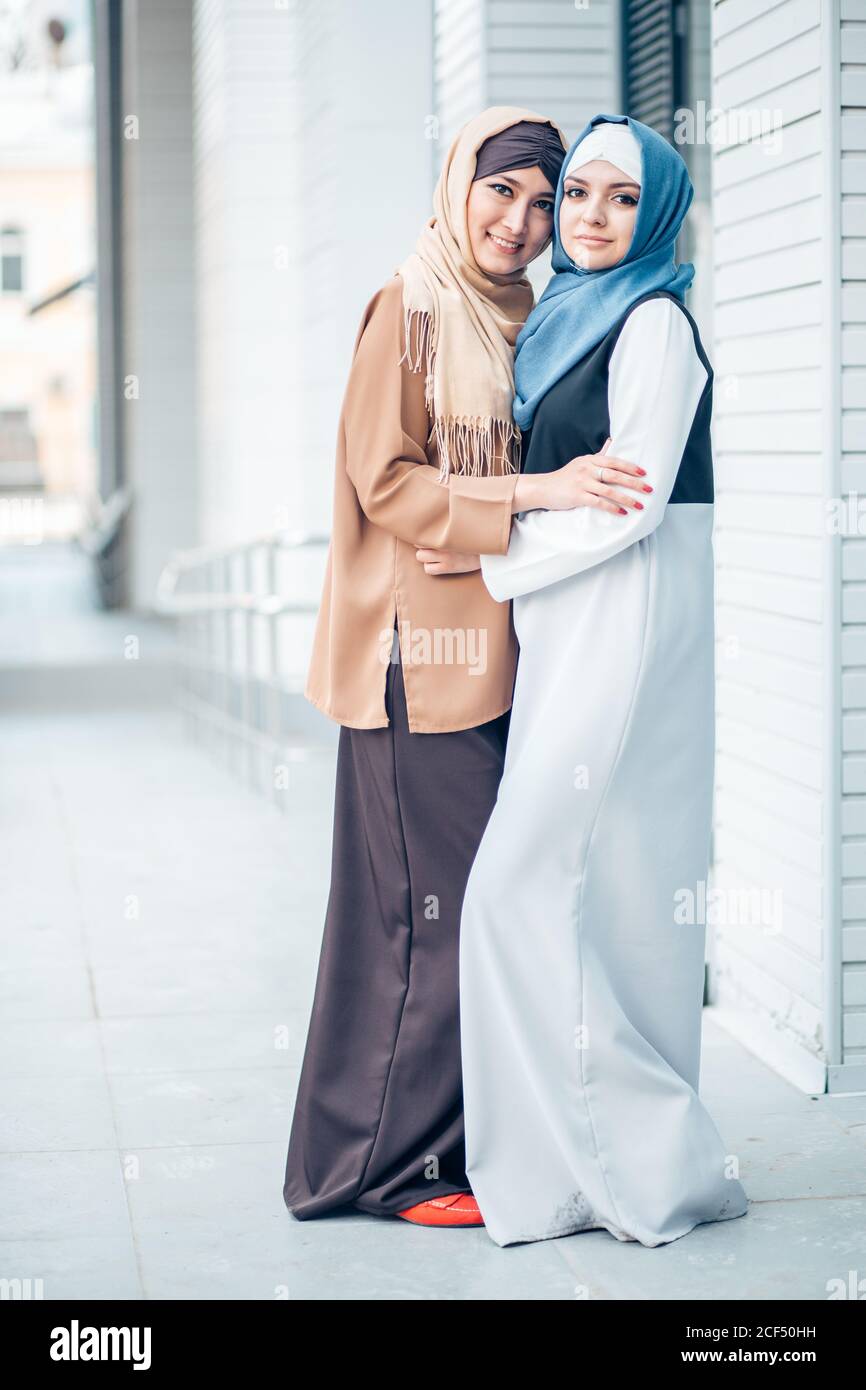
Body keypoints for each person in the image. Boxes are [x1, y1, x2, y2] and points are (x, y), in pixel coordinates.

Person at [282, 106, 647, 1229]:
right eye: (504, 192)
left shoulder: (516, 314)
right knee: (425, 919)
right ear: (457, 188)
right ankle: (388, 1172)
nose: (524, 222)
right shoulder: (410, 306)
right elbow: (383, 483)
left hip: (488, 655)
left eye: (543, 203)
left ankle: (411, 1147)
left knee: (446, 913)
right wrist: (539, 491)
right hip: (414, 659)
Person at [455, 114, 750, 1246]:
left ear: (659, 213)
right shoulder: (571, 321)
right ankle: (585, 1171)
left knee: (520, 889)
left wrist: (491, 555)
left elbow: (625, 502)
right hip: (570, 622)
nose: (585, 216)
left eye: (620, 198)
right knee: (611, 904)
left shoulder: (654, 322)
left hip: (619, 624)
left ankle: (641, 1167)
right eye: (576, 192)